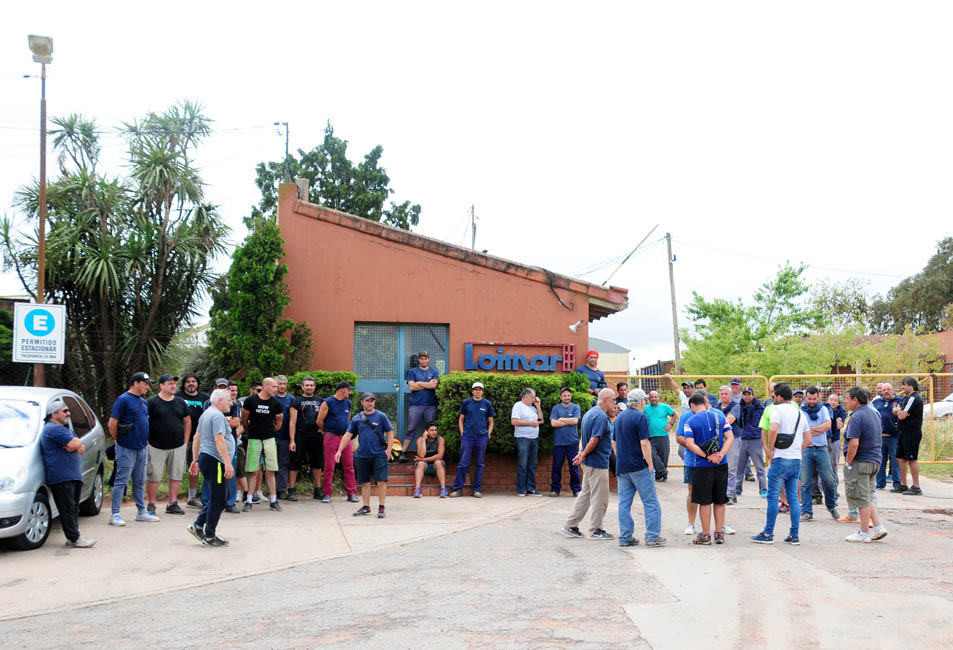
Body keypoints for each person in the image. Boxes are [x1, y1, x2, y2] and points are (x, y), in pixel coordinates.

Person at [751, 383, 810, 545]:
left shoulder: (777, 410)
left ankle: (768, 533)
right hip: (795, 460)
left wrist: (770, 450)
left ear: (779, 397)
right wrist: (797, 449)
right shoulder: (800, 413)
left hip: (780, 459)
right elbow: (809, 440)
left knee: (772, 496)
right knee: (793, 498)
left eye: (774, 396)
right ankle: (794, 534)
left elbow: (773, 429)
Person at [561, 388, 616, 540]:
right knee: (600, 498)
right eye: (612, 400)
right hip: (597, 462)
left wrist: (581, 454)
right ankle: (596, 530)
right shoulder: (600, 416)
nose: (614, 404)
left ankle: (571, 524)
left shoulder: (589, 413)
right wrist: (583, 454)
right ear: (605, 399)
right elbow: (594, 439)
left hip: (589, 462)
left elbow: (583, 438)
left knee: (585, 495)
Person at [41, 399, 95, 548]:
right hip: (61, 476)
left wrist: (76, 444)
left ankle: (73, 536)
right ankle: (74, 538)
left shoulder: (64, 429)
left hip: (72, 475)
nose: (69, 413)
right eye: (65, 411)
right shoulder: (53, 428)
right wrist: (75, 444)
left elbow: (81, 447)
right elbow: (76, 444)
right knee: (68, 508)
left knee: (73, 508)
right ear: (54, 413)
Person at [682, 392, 734, 545]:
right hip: (721, 463)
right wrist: (721, 454)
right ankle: (719, 533)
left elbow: (690, 444)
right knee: (720, 500)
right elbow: (730, 437)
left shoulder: (690, 421)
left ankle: (705, 535)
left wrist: (707, 456)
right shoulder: (720, 417)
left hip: (702, 466)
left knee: (705, 501)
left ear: (692, 405)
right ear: (704, 404)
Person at [108, 372, 159, 526]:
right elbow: (112, 423)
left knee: (139, 481)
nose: (147, 387)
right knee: (121, 480)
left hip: (142, 447)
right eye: (145, 383)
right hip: (126, 447)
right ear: (136, 383)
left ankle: (141, 512)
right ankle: (115, 514)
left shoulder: (143, 402)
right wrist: (119, 440)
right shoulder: (123, 400)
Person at [186, 389, 235, 547]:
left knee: (216, 497)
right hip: (216, 461)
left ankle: (198, 525)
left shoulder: (206, 414)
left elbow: (197, 437)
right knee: (220, 500)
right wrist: (227, 462)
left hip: (207, 458)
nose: (231, 402)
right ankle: (209, 536)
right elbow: (219, 439)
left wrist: (195, 459)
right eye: (228, 399)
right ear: (220, 400)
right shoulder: (217, 416)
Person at [614, 396, 665, 547]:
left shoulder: (620, 417)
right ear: (641, 401)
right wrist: (650, 464)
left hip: (622, 467)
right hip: (638, 466)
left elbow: (613, 441)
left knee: (624, 503)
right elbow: (644, 442)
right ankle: (652, 536)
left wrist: (620, 458)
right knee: (650, 502)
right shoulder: (641, 417)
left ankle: (625, 537)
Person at [336, 392, 394, 518]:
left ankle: (381, 507)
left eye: (372, 400)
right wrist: (339, 450)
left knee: (382, 481)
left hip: (379, 454)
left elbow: (390, 433)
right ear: (362, 402)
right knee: (364, 482)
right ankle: (366, 507)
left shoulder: (381, 416)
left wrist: (388, 450)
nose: (370, 403)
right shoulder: (357, 419)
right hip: (362, 455)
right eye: (367, 401)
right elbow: (347, 435)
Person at [843, 386, 888, 542]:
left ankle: (863, 532)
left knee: (861, 498)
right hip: (874, 460)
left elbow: (854, 443)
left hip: (861, 462)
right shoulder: (873, 413)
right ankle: (878, 527)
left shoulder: (857, 416)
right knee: (868, 495)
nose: (846, 402)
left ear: (856, 399)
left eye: (847, 399)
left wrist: (848, 462)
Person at [145, 373, 191, 516]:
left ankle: (172, 503)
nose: (173, 386)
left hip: (177, 445)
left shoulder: (180, 402)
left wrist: (185, 441)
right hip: (155, 445)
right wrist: (146, 441)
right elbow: (144, 421)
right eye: (169, 383)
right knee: (154, 476)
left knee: (176, 475)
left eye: (174, 383)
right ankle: (151, 504)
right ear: (161, 386)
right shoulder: (151, 402)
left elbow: (187, 421)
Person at [241, 377, 283, 512]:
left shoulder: (276, 404)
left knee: (270, 470)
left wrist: (269, 432)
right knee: (253, 470)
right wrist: (251, 431)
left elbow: (278, 423)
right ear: (265, 386)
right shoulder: (250, 401)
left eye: (277, 387)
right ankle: (248, 500)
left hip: (270, 439)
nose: (276, 389)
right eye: (274, 386)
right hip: (254, 439)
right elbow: (244, 420)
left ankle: (273, 500)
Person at [799, 386, 839, 521]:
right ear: (806, 398)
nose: (811, 401)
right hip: (806, 448)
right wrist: (818, 429)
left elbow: (827, 426)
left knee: (829, 480)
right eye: (809, 399)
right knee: (805, 481)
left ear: (819, 397)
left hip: (822, 448)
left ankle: (831, 506)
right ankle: (807, 511)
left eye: (814, 398)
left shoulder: (823, 409)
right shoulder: (801, 411)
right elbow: (801, 430)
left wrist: (810, 430)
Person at [450, 382, 495, 498]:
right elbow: (461, 419)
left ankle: (477, 489)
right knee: (463, 463)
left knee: (479, 463)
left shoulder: (487, 404)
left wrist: (488, 434)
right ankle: (458, 489)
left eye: (480, 389)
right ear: (472, 391)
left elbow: (491, 421)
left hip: (481, 437)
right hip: (468, 437)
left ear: (483, 392)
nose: (478, 391)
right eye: (476, 389)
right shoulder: (466, 403)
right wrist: (462, 432)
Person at [318, 381, 359, 503]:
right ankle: (327, 494)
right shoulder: (328, 402)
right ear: (342, 390)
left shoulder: (348, 403)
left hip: (345, 438)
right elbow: (319, 420)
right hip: (331, 437)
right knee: (329, 466)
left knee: (349, 466)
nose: (350, 392)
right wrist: (326, 432)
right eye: (348, 390)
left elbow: (348, 419)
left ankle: (351, 493)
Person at [176, 373, 209, 508]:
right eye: (188, 381)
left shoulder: (204, 398)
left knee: (195, 469)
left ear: (197, 384)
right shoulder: (177, 397)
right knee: (177, 469)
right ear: (184, 384)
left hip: (199, 439)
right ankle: (173, 499)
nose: (191, 384)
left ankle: (191, 497)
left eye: (193, 381)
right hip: (180, 439)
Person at [289, 376, 323, 500]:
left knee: (317, 462)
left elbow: (325, 417)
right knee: (294, 462)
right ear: (302, 387)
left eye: (311, 385)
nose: (309, 387)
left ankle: (317, 489)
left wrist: (323, 429)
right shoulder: (296, 402)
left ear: (315, 387)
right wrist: (292, 440)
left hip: (316, 437)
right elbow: (292, 422)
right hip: (300, 436)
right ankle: (292, 490)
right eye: (307, 385)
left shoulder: (321, 401)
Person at [730, 386, 766, 499]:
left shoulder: (759, 408)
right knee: (739, 466)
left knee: (759, 466)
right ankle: (737, 488)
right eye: (744, 394)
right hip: (742, 439)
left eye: (749, 394)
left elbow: (759, 424)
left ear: (753, 395)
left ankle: (763, 489)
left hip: (755, 439)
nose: (746, 396)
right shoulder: (739, 407)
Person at [404, 350, 440, 458]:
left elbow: (433, 386)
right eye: (421, 358)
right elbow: (411, 387)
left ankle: (431, 452)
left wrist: (418, 383)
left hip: (431, 405)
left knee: (432, 429)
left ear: (428, 359)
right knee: (411, 428)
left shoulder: (434, 371)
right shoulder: (412, 372)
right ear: (419, 359)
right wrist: (427, 384)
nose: (423, 360)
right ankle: (403, 452)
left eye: (425, 358)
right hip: (416, 405)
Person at [894, 376, 924, 495]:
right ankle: (903, 484)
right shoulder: (906, 398)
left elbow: (901, 415)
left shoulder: (914, 398)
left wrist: (898, 411)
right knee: (900, 458)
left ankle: (916, 487)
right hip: (903, 432)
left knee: (912, 459)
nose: (902, 387)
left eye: (904, 385)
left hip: (912, 433)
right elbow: (896, 411)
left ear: (911, 386)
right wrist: (898, 411)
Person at [511, 388, 544, 496]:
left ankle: (531, 489)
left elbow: (541, 420)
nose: (535, 399)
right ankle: (521, 490)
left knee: (532, 465)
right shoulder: (518, 405)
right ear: (526, 397)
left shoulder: (533, 408)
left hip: (534, 438)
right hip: (523, 438)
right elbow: (514, 421)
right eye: (533, 397)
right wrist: (530, 424)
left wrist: (538, 406)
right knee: (523, 464)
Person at [549, 387, 581, 497]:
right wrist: (568, 422)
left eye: (568, 395)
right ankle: (555, 489)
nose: (567, 397)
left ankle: (576, 489)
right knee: (557, 467)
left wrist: (561, 419)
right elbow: (553, 423)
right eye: (564, 395)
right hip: (559, 443)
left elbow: (575, 421)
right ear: (560, 397)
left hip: (573, 442)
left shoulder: (576, 407)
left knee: (574, 467)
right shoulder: (556, 408)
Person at [872, 383, 901, 491]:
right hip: (879, 437)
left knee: (895, 461)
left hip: (894, 437)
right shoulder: (877, 402)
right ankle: (880, 483)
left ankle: (897, 483)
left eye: (888, 389)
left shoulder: (899, 401)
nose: (886, 391)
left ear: (893, 390)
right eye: (884, 390)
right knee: (880, 461)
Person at [716, 386, 742, 502]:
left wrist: (719, 421)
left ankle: (730, 495)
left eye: (726, 393)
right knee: (722, 468)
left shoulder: (735, 406)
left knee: (731, 468)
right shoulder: (717, 407)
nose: (724, 396)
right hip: (719, 440)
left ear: (730, 395)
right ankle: (726, 493)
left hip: (733, 439)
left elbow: (730, 420)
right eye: (722, 393)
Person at [643, 391, 675, 481]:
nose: (654, 399)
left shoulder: (665, 407)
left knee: (664, 457)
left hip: (663, 436)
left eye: (655, 397)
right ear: (649, 398)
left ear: (658, 397)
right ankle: (663, 471)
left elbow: (674, 415)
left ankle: (659, 475)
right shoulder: (645, 409)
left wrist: (671, 424)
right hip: (650, 437)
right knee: (653, 456)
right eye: (652, 397)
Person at [273, 375, 296, 499]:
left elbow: (293, 420)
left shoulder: (291, 399)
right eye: (279, 384)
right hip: (271, 436)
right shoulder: (272, 398)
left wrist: (292, 439)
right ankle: (271, 490)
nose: (282, 386)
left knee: (283, 464)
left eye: (284, 384)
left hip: (285, 437)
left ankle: (281, 489)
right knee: (270, 465)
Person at [224, 381, 246, 513]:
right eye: (231, 390)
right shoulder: (212, 403)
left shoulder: (237, 405)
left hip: (233, 442)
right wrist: (228, 420)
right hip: (216, 443)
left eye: (235, 390)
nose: (234, 393)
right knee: (213, 474)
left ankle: (230, 502)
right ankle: (208, 502)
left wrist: (225, 420)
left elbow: (237, 422)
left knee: (232, 472)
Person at [413, 423, 447, 497]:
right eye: (431, 430)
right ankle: (417, 489)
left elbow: (440, 456)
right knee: (421, 463)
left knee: (438, 462)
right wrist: (424, 440)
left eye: (435, 430)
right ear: (426, 431)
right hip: (424, 467)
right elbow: (421, 454)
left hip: (437, 466)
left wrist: (423, 459)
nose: (434, 432)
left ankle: (443, 489)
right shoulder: (420, 440)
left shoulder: (440, 439)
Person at [826, 393, 847, 497]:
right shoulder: (824, 409)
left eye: (835, 400)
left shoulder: (841, 411)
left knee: (834, 465)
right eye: (831, 399)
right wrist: (834, 421)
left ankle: (834, 488)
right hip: (824, 441)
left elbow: (839, 426)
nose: (833, 402)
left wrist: (832, 422)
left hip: (834, 440)